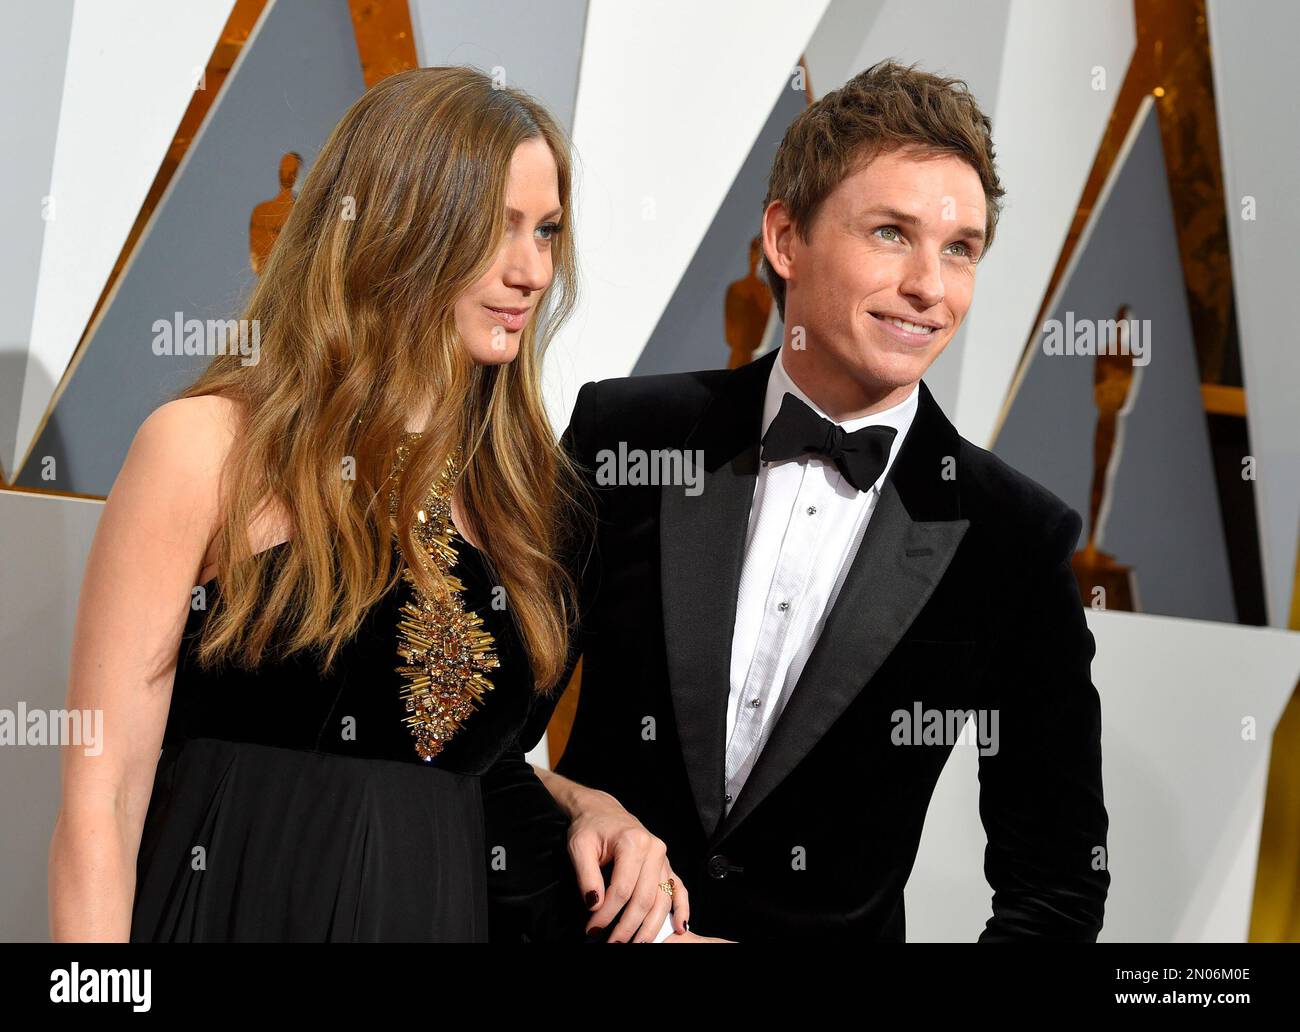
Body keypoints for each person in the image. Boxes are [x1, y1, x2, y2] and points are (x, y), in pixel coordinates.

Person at [46, 66, 686, 943]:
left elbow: (463, 766)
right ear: (396, 227)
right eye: (495, 229)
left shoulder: (527, 500)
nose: (532, 269)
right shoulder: (203, 450)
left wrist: (583, 798)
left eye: (546, 232)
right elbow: (102, 795)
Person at [535, 59, 1111, 941]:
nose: (931, 286)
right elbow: (479, 740)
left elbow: (1058, 886)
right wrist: (578, 802)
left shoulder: (1013, 538)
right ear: (784, 238)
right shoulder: (629, 434)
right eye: (891, 232)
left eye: (961, 249)